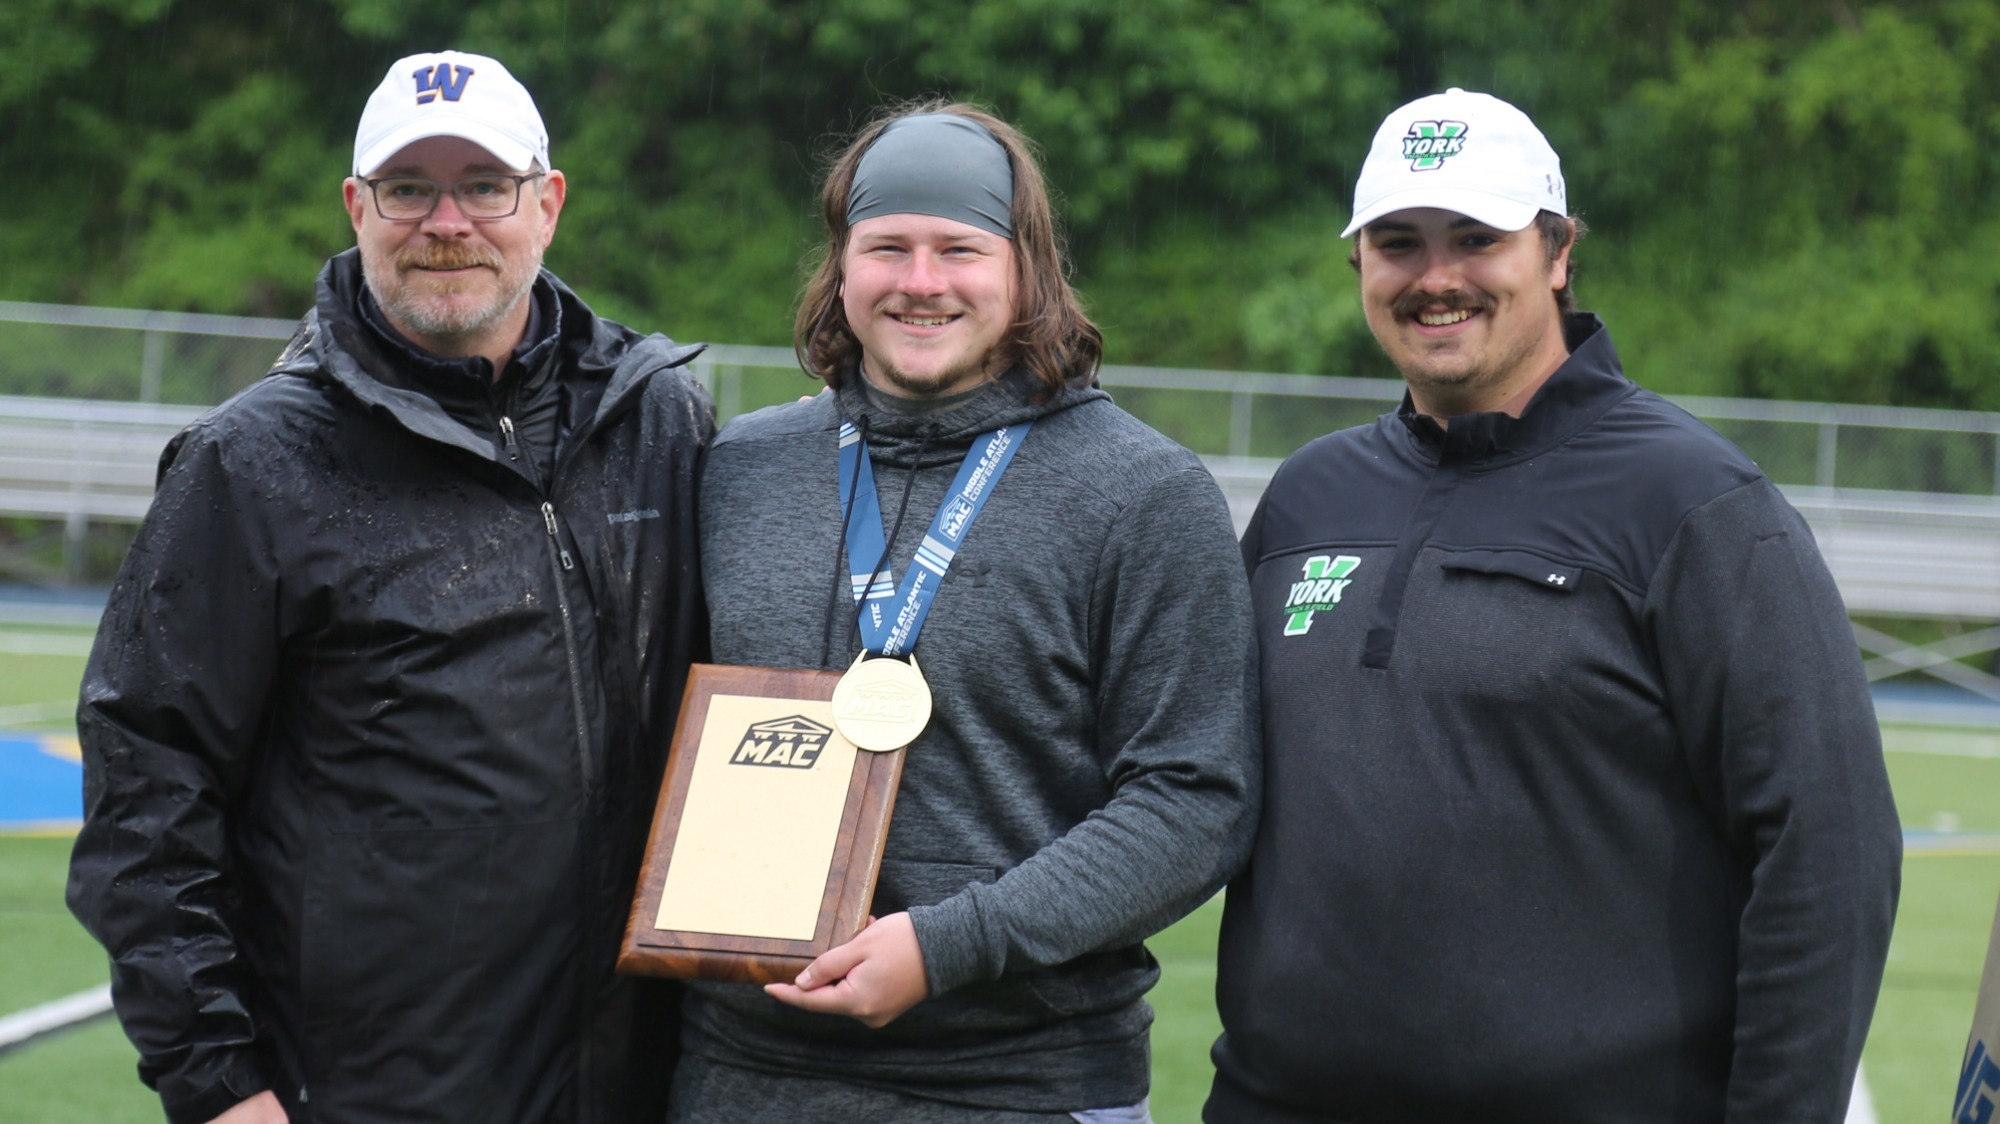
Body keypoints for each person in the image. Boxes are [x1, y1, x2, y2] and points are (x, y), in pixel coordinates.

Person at [1208, 88, 1902, 1121]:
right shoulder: (1309, 494)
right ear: (1357, 262)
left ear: (1555, 250)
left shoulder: (1694, 502)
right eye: (1397, 241)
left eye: (1475, 239)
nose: (1434, 277)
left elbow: (1827, 847)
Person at [66, 50, 710, 1124]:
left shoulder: (658, 421)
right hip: (367, 1094)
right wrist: (218, 1082)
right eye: (410, 188)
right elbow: (146, 778)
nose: (446, 221)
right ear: (357, 207)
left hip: (636, 1084)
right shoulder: (254, 462)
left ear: (546, 204)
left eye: (484, 186)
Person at [679, 102, 1258, 1122]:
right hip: (738, 1074)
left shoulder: (1141, 493)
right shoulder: (740, 468)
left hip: (1016, 1084)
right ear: (840, 266)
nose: (919, 281)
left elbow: (1190, 797)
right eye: (885, 247)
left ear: (1025, 266)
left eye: (959, 247)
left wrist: (951, 943)